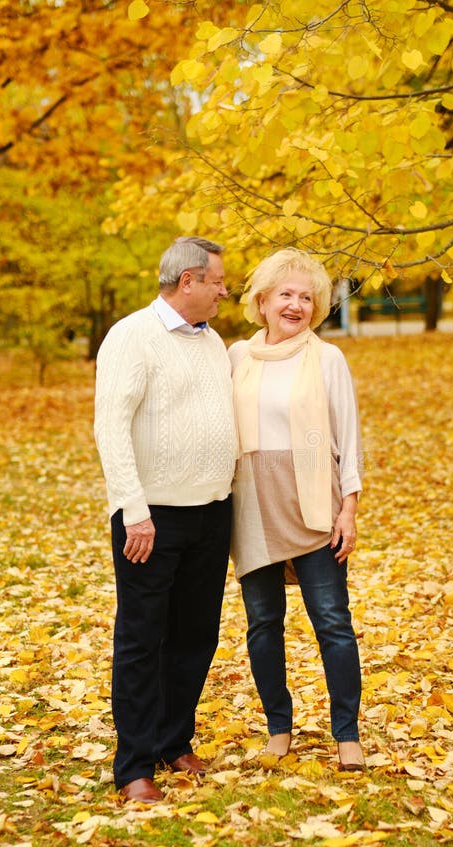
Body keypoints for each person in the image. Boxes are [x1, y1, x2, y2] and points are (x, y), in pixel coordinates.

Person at [94, 237, 237, 803]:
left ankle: (174, 740)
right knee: (141, 639)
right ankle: (134, 766)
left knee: (195, 635)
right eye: (219, 281)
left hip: (212, 512)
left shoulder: (213, 341)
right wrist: (134, 510)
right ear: (189, 282)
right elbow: (112, 428)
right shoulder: (132, 336)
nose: (226, 290)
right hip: (150, 518)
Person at [228, 248, 365, 771]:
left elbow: (347, 441)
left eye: (307, 297)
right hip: (253, 506)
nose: (296, 305)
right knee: (263, 623)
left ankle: (346, 733)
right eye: (285, 294)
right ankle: (278, 728)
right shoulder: (237, 356)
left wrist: (348, 509)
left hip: (314, 506)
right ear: (262, 301)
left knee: (333, 622)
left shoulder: (326, 359)